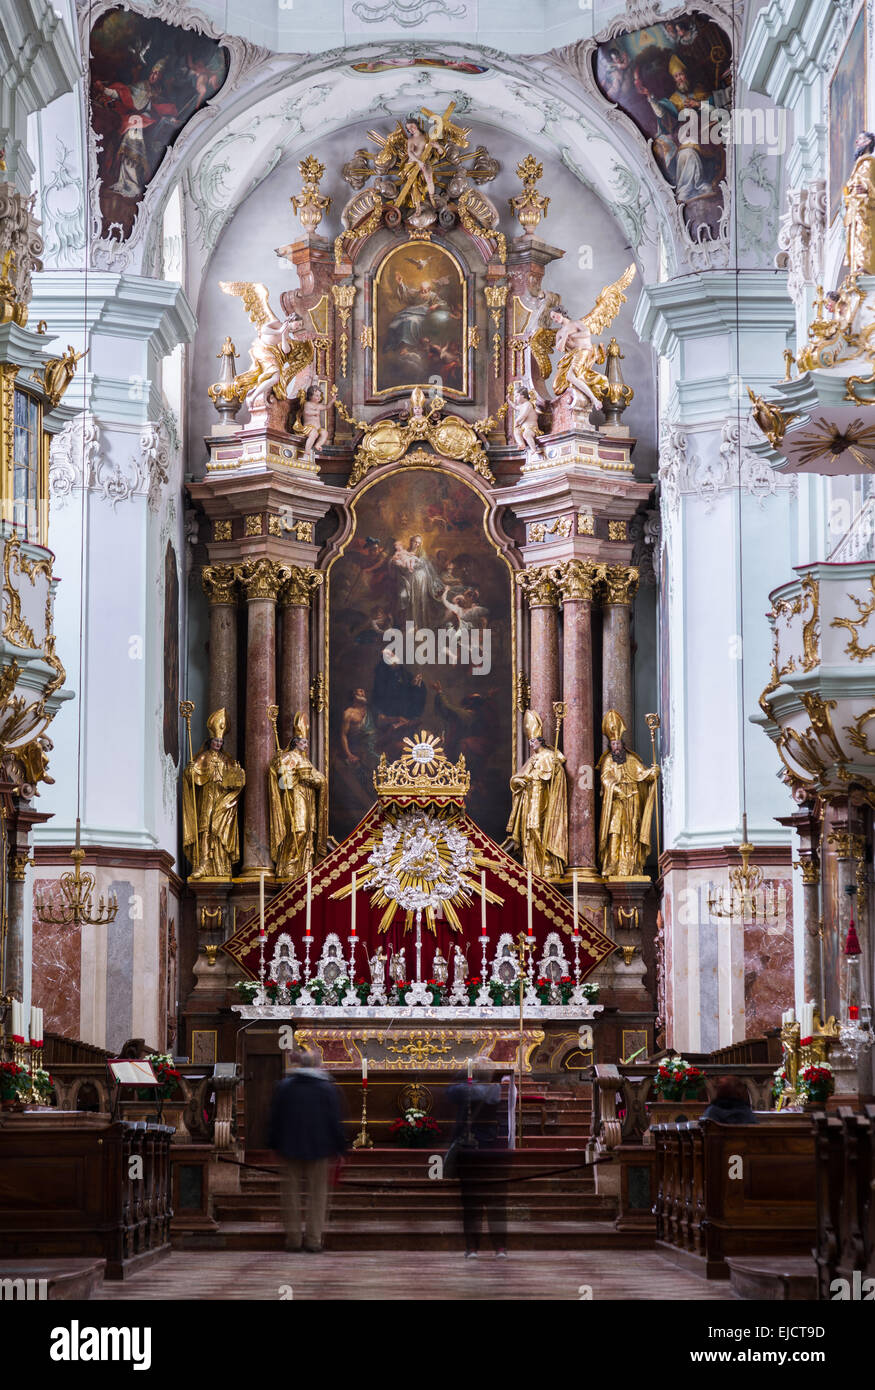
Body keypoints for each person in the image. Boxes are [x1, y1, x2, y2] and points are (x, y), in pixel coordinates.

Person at [268, 1049, 347, 1252]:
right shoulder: (327, 1088)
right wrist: (340, 1148)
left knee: (290, 1196)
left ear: (300, 1065)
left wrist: (273, 1144)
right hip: (320, 1148)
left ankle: (293, 1240)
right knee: (318, 1196)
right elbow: (334, 1121)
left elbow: (274, 1118)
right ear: (317, 1065)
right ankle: (313, 1240)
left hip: (289, 1147)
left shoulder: (285, 1087)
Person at [447, 1060, 510, 1258]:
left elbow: (449, 1091)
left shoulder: (466, 1090)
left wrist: (463, 1073)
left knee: (471, 1202)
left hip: (471, 1151)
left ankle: (472, 1248)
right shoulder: (496, 1089)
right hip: (493, 1151)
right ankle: (500, 1248)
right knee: (496, 1203)